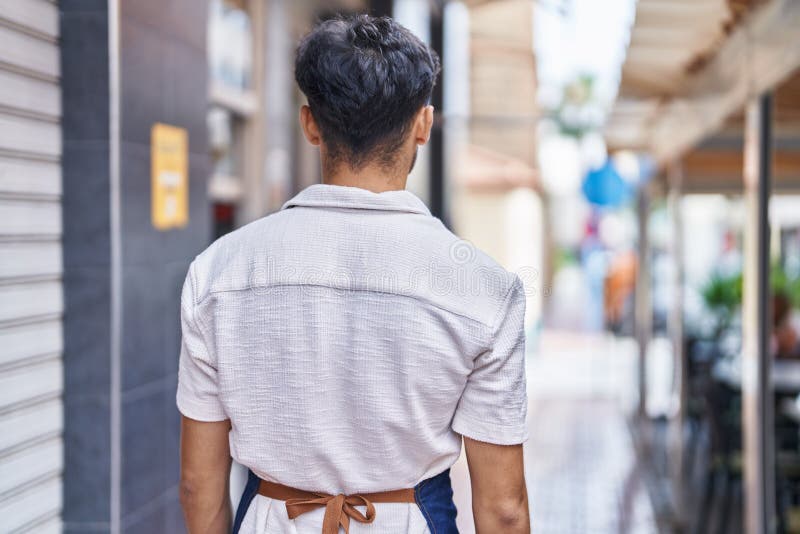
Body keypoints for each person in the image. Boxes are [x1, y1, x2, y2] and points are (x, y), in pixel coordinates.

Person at [177, 14, 530, 534]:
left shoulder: (218, 272)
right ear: (424, 124)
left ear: (310, 124)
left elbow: (196, 484)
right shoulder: (484, 289)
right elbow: (503, 509)